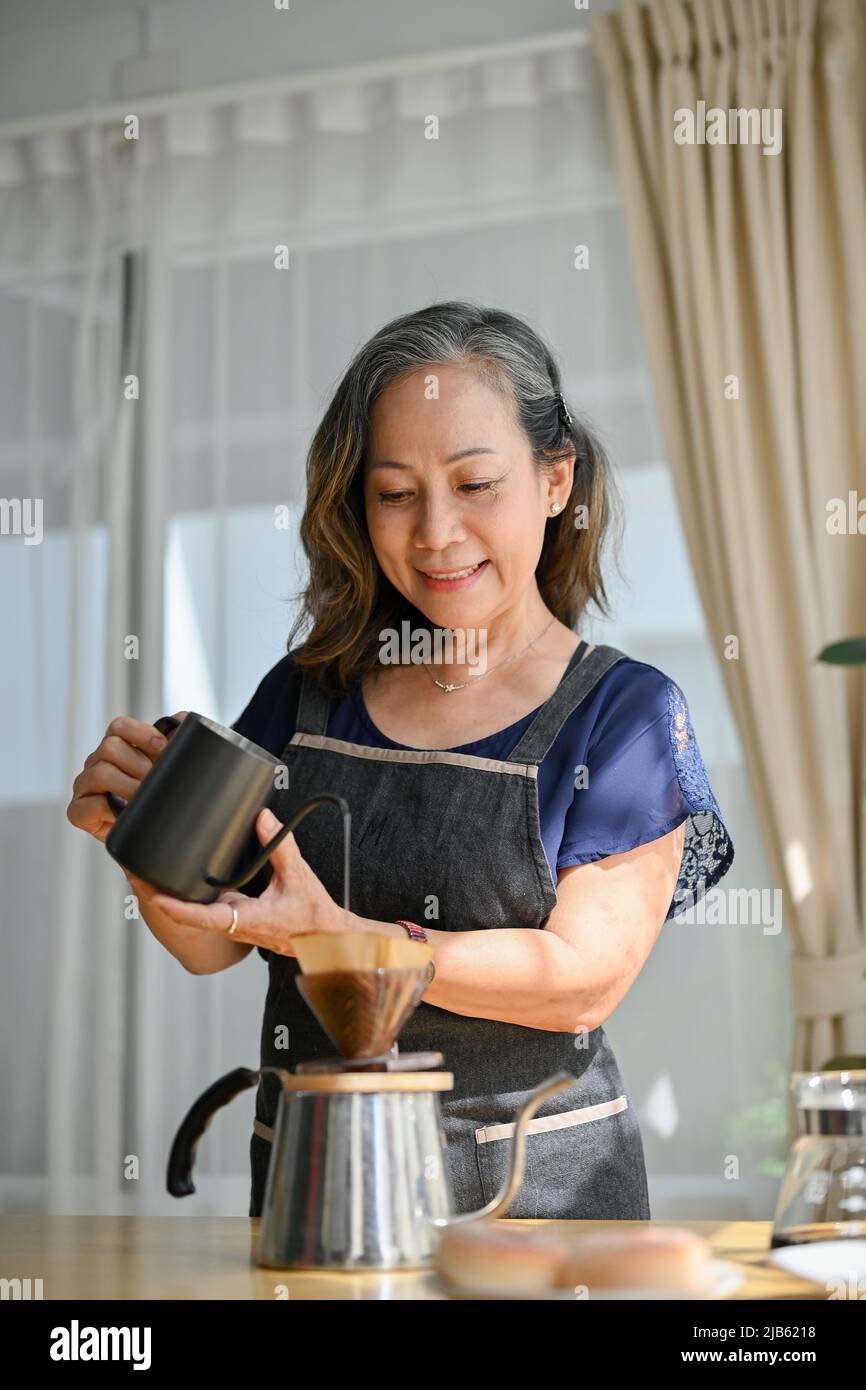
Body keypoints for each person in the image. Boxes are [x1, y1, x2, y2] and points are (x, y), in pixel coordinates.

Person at [67, 301, 735, 1221]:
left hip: (536, 1216)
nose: (435, 534)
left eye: (474, 484)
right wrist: (143, 845)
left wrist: (334, 939)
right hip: (320, 1198)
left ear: (554, 480)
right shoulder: (310, 689)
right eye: (394, 493)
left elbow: (583, 979)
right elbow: (208, 939)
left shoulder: (623, 714)